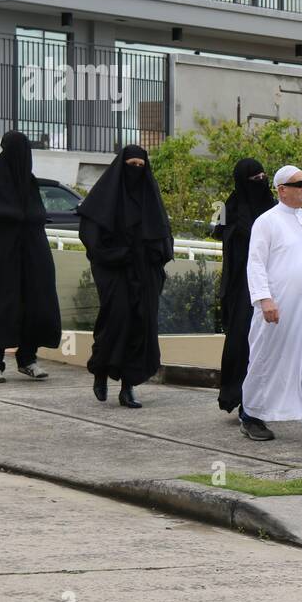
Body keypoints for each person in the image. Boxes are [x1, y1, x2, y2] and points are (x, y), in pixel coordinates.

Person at [237, 165, 302, 445]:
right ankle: (251, 415)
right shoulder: (267, 222)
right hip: (276, 309)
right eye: (298, 184)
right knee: (267, 359)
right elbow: (255, 263)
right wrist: (264, 298)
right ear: (282, 190)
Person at [76, 144, 173, 409]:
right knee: (115, 321)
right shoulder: (104, 198)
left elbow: (163, 235)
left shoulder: (149, 197)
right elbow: (91, 236)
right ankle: (100, 371)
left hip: (144, 274)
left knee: (141, 326)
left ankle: (128, 387)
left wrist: (155, 258)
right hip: (114, 271)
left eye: (141, 167)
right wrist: (117, 255)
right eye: (131, 165)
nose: (136, 171)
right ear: (121, 166)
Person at [0, 130, 61, 383]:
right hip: (1, 258)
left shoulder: (28, 181)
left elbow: (37, 214)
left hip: (32, 254)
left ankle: (28, 358)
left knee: (37, 303)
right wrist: (9, 219)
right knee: (1, 306)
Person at [213, 158, 275, 416]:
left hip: (271, 286)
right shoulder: (228, 205)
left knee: (267, 343)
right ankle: (236, 395)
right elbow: (216, 231)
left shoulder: (273, 206)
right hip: (241, 286)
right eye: (254, 180)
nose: (260, 183)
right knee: (240, 339)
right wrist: (236, 230)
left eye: (263, 178)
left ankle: (259, 402)